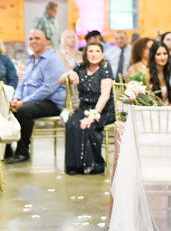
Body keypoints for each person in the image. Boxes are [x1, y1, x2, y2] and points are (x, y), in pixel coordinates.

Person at [6, 29, 67, 163]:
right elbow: (23, 84)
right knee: (5, 107)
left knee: (23, 111)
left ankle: (23, 152)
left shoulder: (53, 60)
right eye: (31, 38)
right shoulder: (31, 60)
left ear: (46, 41)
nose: (33, 41)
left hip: (51, 102)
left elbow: (48, 88)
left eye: (37, 38)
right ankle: (7, 150)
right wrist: (16, 98)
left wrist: (23, 102)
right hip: (31, 101)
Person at [60, 43, 114, 174]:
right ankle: (75, 166)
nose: (94, 54)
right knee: (72, 124)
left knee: (88, 126)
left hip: (103, 108)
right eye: (91, 51)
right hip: (84, 106)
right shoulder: (81, 67)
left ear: (102, 54)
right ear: (86, 54)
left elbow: (105, 95)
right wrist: (69, 73)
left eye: (97, 51)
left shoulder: (105, 68)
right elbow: (60, 81)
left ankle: (95, 163)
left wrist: (93, 115)